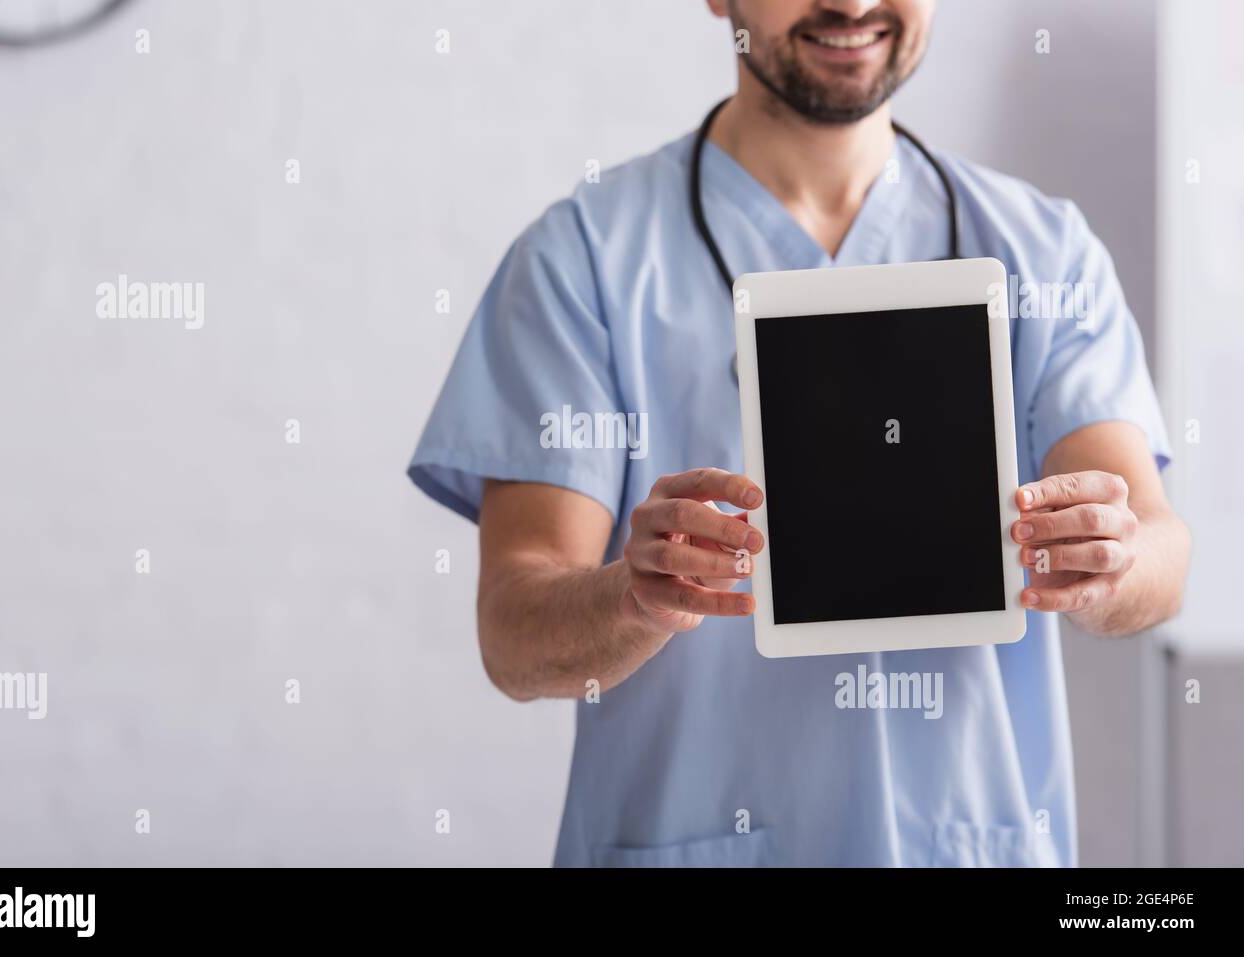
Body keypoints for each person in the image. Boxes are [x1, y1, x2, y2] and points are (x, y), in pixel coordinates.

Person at [408, 0, 1190, 867]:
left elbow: (1158, 548)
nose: (851, 5)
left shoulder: (1046, 255)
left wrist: (1110, 557)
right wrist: (632, 597)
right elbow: (515, 630)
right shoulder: (583, 260)